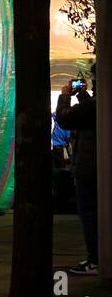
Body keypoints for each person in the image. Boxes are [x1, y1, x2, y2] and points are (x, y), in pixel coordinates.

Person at [56, 78, 98, 273]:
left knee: (89, 213)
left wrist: (65, 96)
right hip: (96, 166)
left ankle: (95, 259)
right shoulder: (96, 104)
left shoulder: (92, 105)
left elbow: (64, 119)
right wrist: (83, 96)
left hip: (88, 167)